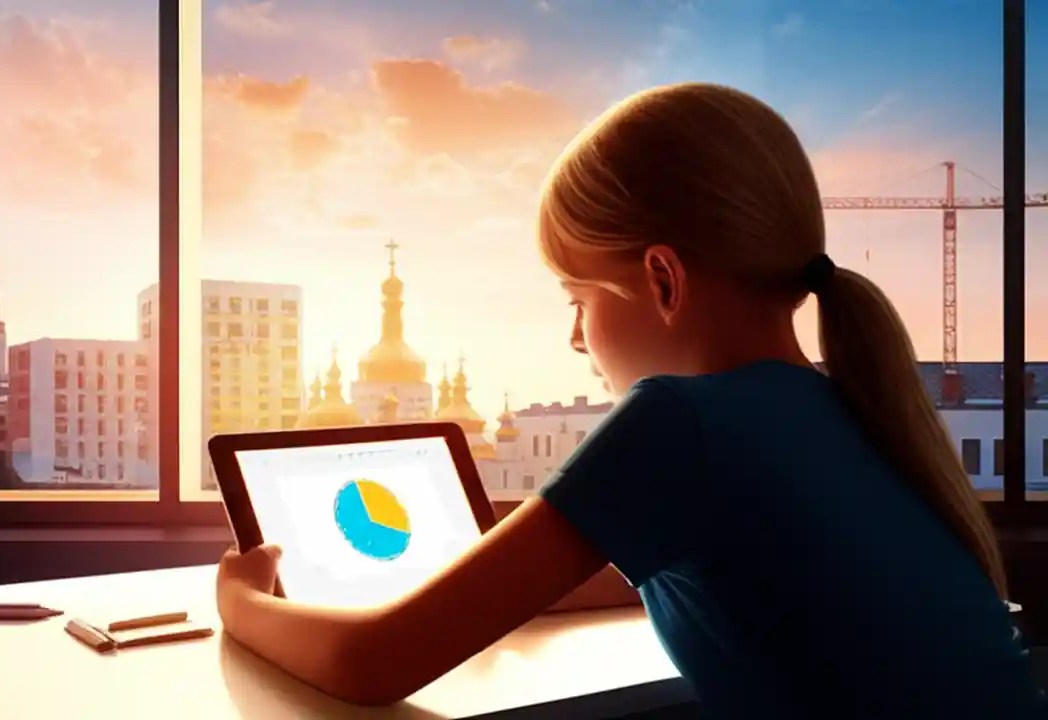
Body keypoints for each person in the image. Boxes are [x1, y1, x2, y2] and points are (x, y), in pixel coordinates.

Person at [216, 82, 1045, 718]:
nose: (575, 340)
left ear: (662, 279)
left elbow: (372, 667)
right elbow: (637, 571)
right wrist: (469, 580)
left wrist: (242, 600)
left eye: (577, 299)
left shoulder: (678, 422)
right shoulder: (843, 407)